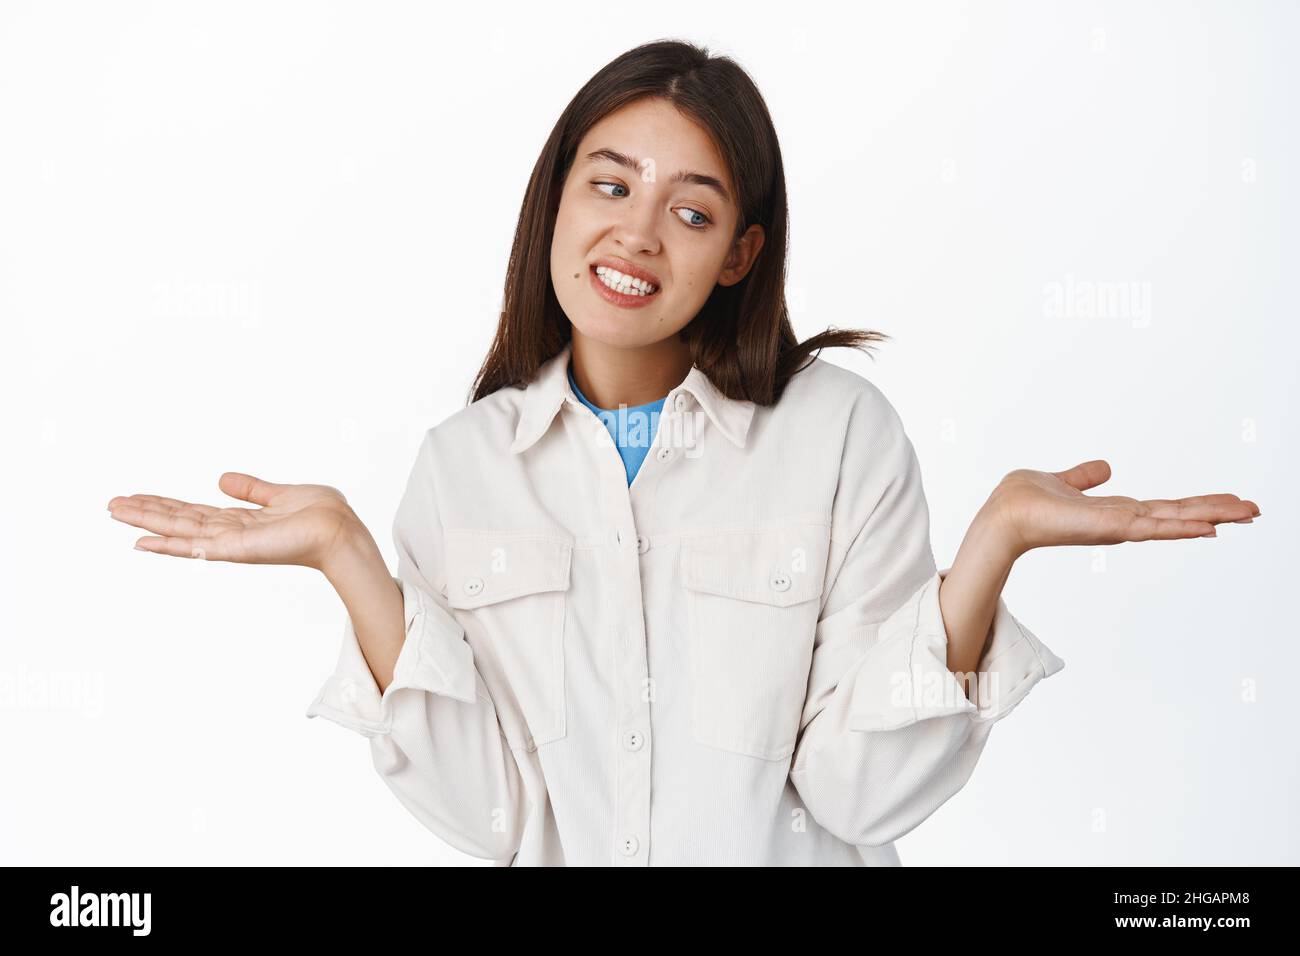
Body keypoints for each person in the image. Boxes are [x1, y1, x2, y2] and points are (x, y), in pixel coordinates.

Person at [106, 40, 1260, 866]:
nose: (637, 233)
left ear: (742, 252)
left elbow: (862, 793)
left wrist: (989, 551)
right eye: (609, 184)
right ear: (556, 199)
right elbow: (489, 818)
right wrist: (349, 562)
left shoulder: (838, 435)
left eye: (692, 211)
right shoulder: (461, 467)